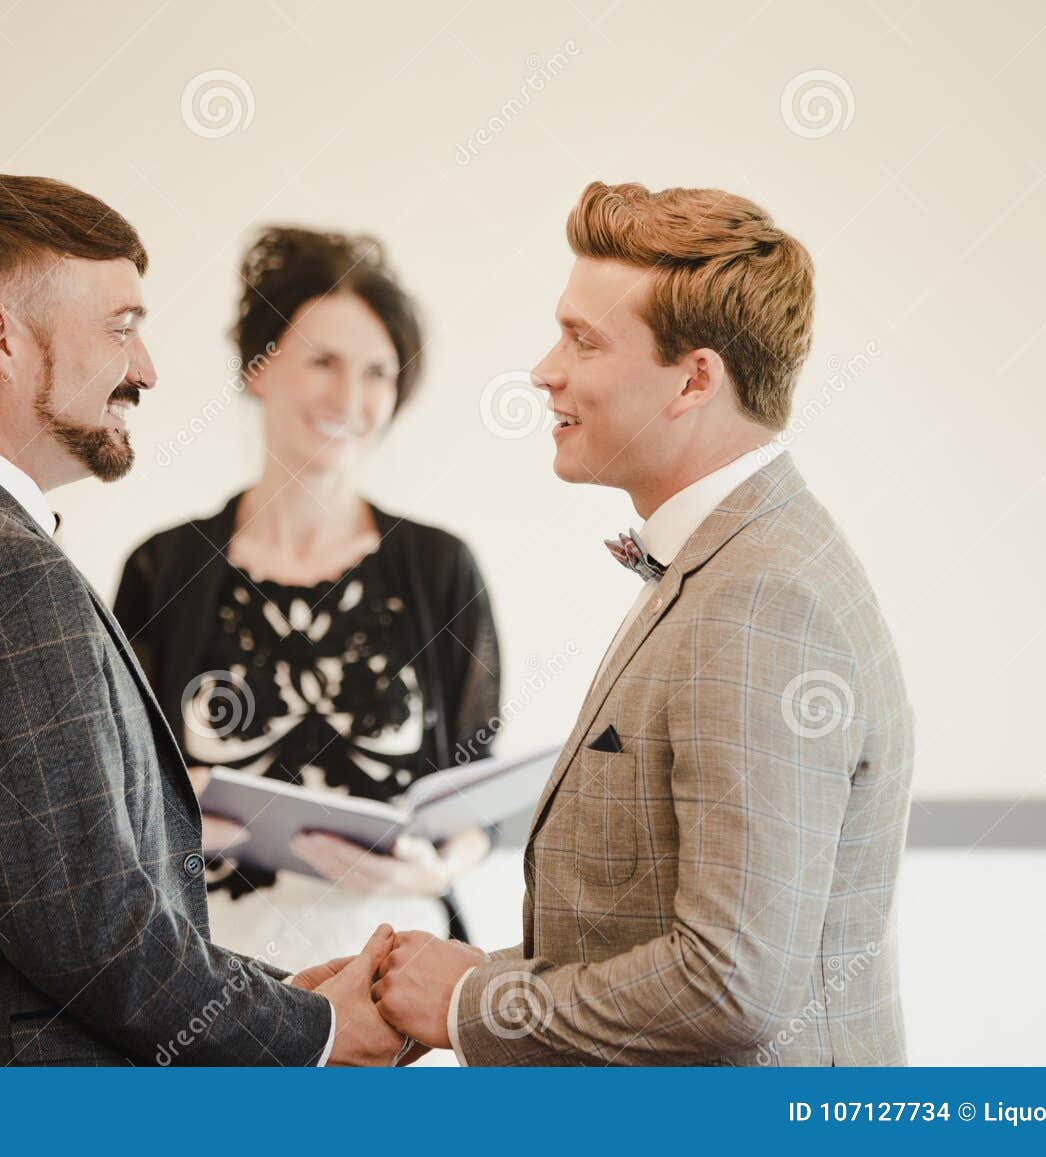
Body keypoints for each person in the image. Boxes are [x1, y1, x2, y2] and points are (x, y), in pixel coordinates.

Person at [0, 174, 403, 1065]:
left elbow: (64, 914)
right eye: (121, 327)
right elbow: (91, 935)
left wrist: (279, 993)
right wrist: (318, 1032)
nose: (146, 368)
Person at [370, 181, 915, 1066]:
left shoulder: (761, 599)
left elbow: (730, 983)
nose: (545, 370)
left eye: (582, 340)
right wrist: (472, 978)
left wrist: (475, 1002)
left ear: (695, 378)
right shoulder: (734, 557)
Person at [114, 226, 501, 973]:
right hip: (207, 972)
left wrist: (439, 867)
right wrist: (179, 810)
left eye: (379, 373)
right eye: (323, 361)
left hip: (399, 966)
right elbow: (114, 786)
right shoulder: (163, 569)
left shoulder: (438, 567)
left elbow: (476, 790)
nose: (351, 399)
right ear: (260, 368)